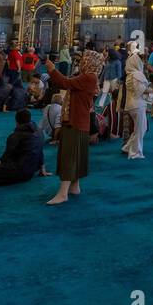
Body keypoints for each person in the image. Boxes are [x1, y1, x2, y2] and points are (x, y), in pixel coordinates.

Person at [44, 51, 104, 203]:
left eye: (84, 59)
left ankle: (63, 193)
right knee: (77, 156)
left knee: (69, 156)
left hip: (75, 121)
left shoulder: (89, 77)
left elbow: (65, 83)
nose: (82, 61)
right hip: (80, 121)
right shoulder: (89, 77)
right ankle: (74, 186)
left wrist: (52, 69)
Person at [122, 50, 150, 159]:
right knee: (140, 129)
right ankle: (135, 152)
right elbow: (140, 90)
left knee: (140, 128)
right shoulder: (137, 74)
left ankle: (128, 147)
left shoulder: (129, 75)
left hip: (131, 104)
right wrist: (151, 90)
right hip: (137, 104)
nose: (141, 62)